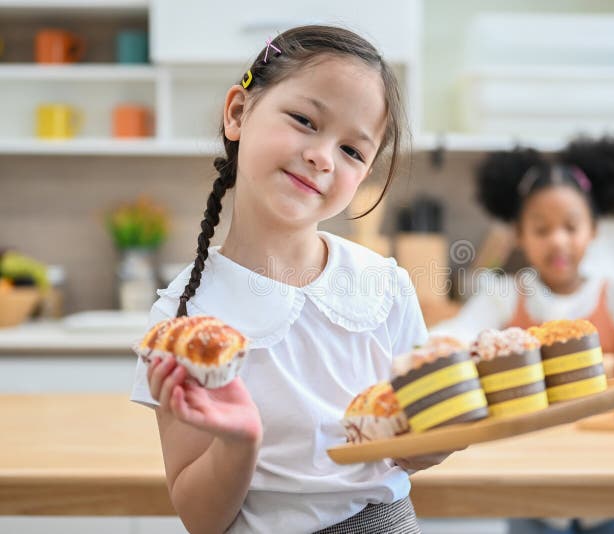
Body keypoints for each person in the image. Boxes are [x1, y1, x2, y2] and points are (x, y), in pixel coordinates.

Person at [130, 26, 445, 534]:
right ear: (238, 113)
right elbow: (201, 518)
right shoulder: (184, 323)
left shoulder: (384, 285)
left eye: (352, 151)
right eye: (304, 120)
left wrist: (435, 439)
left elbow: (411, 442)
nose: (324, 156)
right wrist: (240, 441)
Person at [432, 136, 614, 534]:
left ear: (593, 231)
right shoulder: (506, 294)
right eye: (541, 228)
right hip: (529, 486)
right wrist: (443, 347)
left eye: (571, 226)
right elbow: (455, 335)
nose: (557, 240)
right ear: (519, 235)